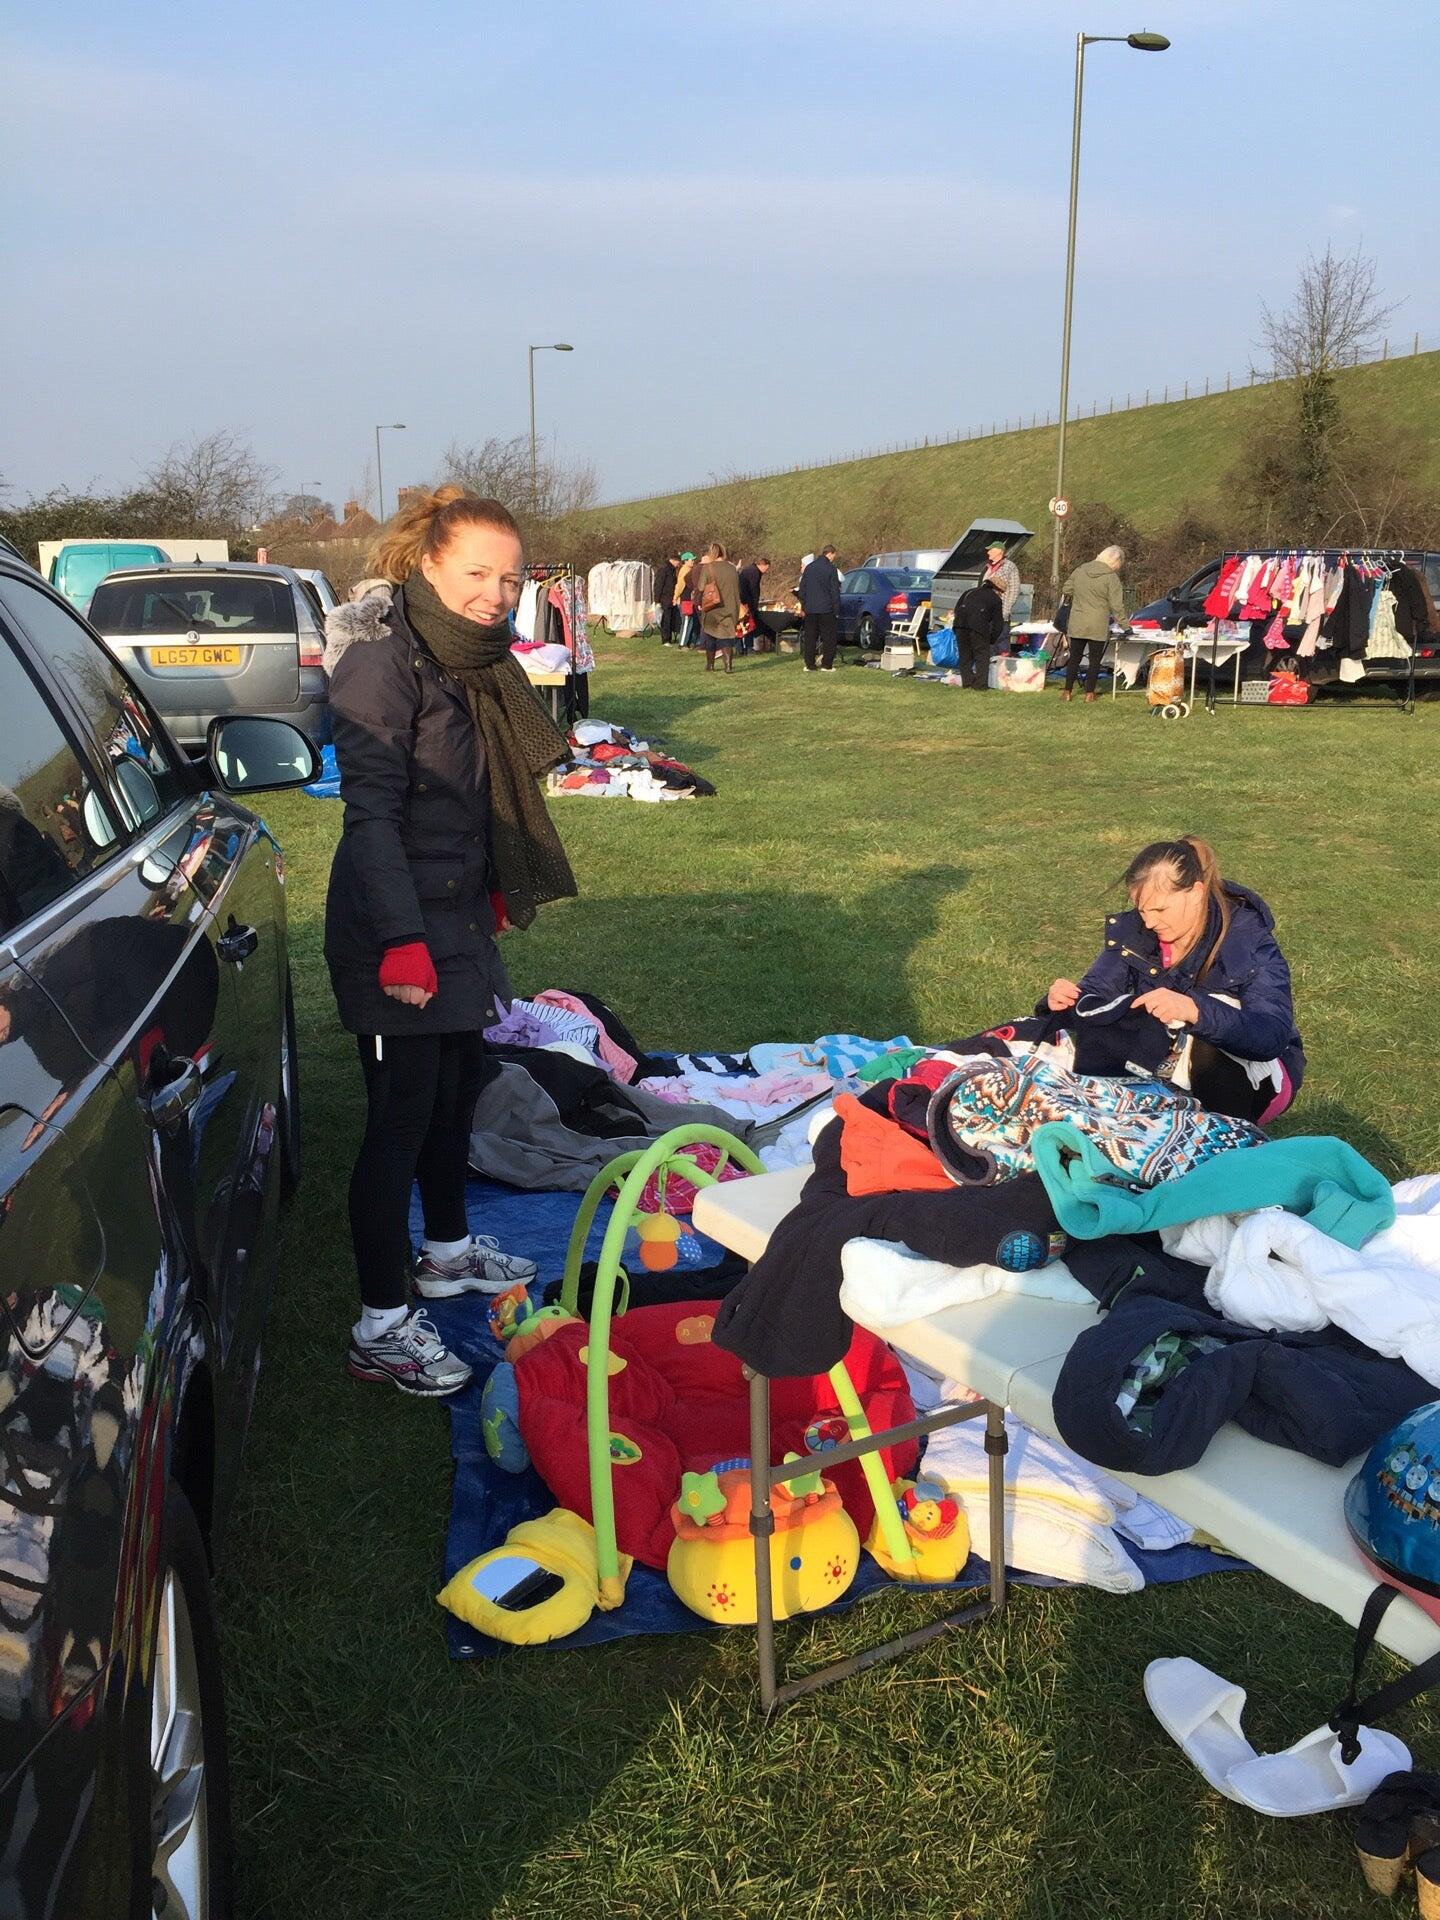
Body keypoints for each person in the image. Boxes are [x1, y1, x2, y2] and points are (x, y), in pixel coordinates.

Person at [323, 486, 578, 1396]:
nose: (495, 594)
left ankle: (446, 1252)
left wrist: (492, 889)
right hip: (397, 928)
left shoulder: (468, 661)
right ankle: (380, 1325)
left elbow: (468, 801)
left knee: (453, 1096)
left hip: (454, 915)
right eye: (477, 573)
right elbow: (372, 818)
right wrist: (401, 943)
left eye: (509, 579)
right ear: (428, 564)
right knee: (398, 1123)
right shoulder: (382, 666)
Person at [1045, 835, 1303, 1123]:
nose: (1149, 922)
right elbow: (1096, 994)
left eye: (1159, 910)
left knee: (1208, 1044)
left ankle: (1230, 1147)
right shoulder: (1136, 933)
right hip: (1162, 1065)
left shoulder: (1248, 939)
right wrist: (1061, 999)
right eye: (1141, 910)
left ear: (1196, 892)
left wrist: (1194, 1010)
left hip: (1257, 1073)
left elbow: (1272, 1035)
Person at [1060, 543, 1127, 701]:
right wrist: (1126, 626)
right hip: (1097, 623)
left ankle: (1067, 691)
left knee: (1074, 657)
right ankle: (1089, 693)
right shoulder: (1111, 578)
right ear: (1115, 562)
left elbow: (1067, 589)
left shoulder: (1080, 570)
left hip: (1077, 620)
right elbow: (1117, 606)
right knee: (1095, 660)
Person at [693, 541, 742, 674]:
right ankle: (728, 666)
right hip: (730, 606)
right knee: (726, 637)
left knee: (710, 635)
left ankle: (710, 665)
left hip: (713, 607)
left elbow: (701, 587)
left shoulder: (708, 567)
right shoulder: (732, 568)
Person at [953, 574, 1006, 689]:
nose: (1001, 595)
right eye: (1002, 592)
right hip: (978, 626)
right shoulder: (995, 599)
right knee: (982, 655)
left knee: (964, 655)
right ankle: (980, 685)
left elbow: (957, 609)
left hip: (960, 625)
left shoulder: (969, 592)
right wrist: (992, 639)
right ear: (998, 589)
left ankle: (967, 682)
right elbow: (998, 623)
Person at [798, 544, 841, 673]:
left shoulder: (809, 568)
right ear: (831, 554)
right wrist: (836, 609)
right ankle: (826, 664)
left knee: (810, 637)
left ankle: (809, 664)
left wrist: (805, 605)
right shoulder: (831, 569)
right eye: (834, 555)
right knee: (829, 638)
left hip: (810, 609)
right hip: (826, 609)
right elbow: (835, 592)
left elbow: (802, 590)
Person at [983, 539, 1021, 626]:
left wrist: (1005, 611)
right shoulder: (988, 567)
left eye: (991, 550)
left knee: (1001, 639)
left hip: (1000, 615)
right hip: (986, 615)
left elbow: (1014, 590)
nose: (988, 552)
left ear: (999, 551)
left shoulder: (1009, 566)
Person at [738, 554, 769, 653]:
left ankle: (740, 648)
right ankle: (748, 647)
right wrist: (753, 606)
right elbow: (753, 590)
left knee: (740, 625)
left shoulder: (750, 569)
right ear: (763, 565)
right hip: (746, 602)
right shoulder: (754, 572)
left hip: (741, 600)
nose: (766, 570)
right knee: (748, 624)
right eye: (767, 568)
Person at [656, 549, 680, 646]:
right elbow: (658, 585)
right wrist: (657, 600)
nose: (679, 563)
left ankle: (669, 638)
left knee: (670, 619)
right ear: (674, 560)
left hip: (670, 598)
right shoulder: (664, 569)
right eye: (678, 561)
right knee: (666, 619)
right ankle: (665, 639)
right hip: (665, 598)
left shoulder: (673, 570)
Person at [675, 550, 698, 647]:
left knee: (690, 621)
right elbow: (680, 585)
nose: (693, 561)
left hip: (689, 600)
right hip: (685, 600)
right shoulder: (684, 570)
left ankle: (688, 642)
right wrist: (675, 596)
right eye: (691, 560)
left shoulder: (689, 570)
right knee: (686, 621)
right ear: (685, 561)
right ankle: (682, 644)